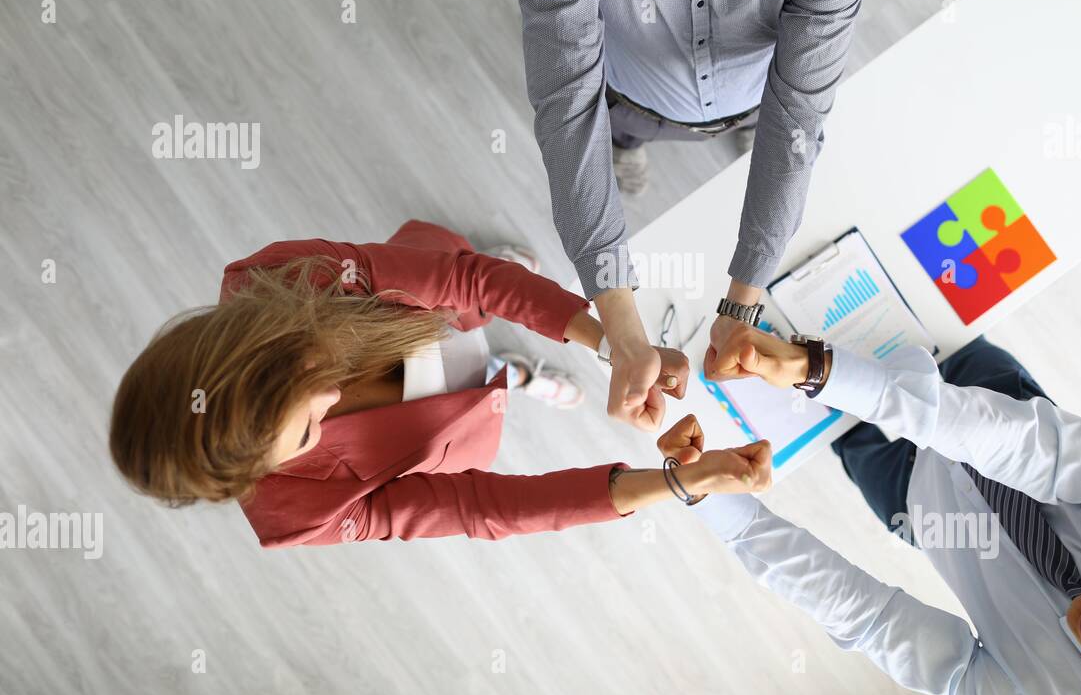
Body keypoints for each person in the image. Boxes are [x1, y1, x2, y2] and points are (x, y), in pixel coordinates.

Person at [685, 323, 1081, 695]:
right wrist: (817, 369)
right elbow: (1026, 446)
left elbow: (877, 623)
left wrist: (719, 504)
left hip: (912, 497)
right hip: (980, 393)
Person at [109, 219, 772, 547]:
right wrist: (680, 482)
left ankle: (505, 358)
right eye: (308, 433)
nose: (334, 401)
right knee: (481, 370)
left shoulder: (274, 280)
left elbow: (469, 283)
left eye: (307, 390)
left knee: (472, 287)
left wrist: (613, 346)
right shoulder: (298, 516)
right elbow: (479, 508)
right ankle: (510, 375)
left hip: (425, 311)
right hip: (450, 429)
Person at [515, 0, 875, 433]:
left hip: (761, 93)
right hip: (632, 97)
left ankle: (729, 129)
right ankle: (629, 144)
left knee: (771, 128)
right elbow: (571, 116)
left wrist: (745, 300)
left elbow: (798, 114)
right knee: (616, 135)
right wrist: (623, 329)